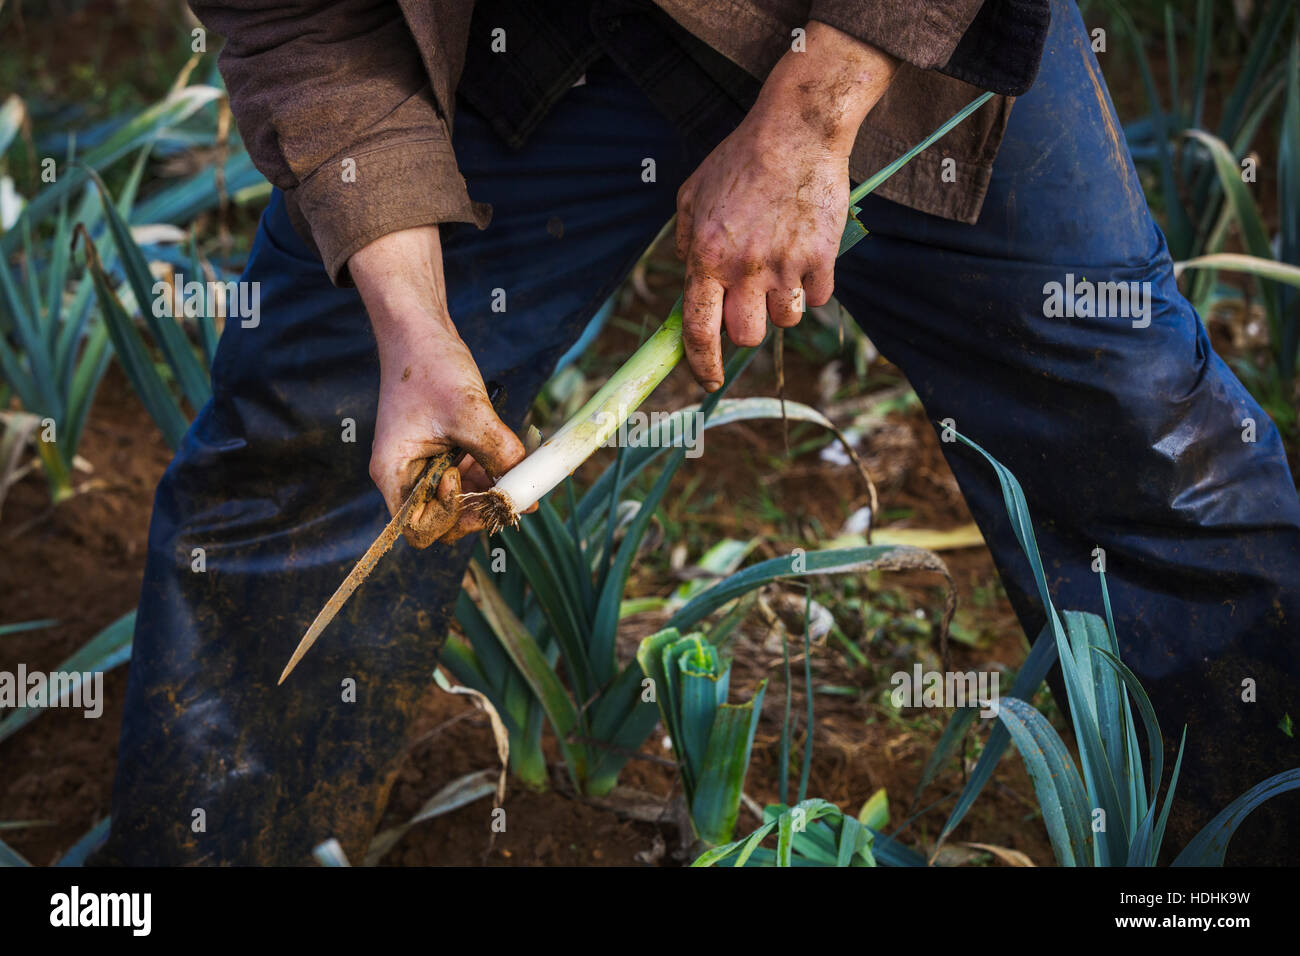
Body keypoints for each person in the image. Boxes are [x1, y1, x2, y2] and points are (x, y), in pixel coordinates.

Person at [98, 0, 1299, 865]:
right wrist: (410, 323)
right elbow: (301, 27)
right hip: (524, 37)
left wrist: (814, 115)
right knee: (315, 438)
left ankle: (1253, 836)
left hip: (896, 32)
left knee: (1139, 438)